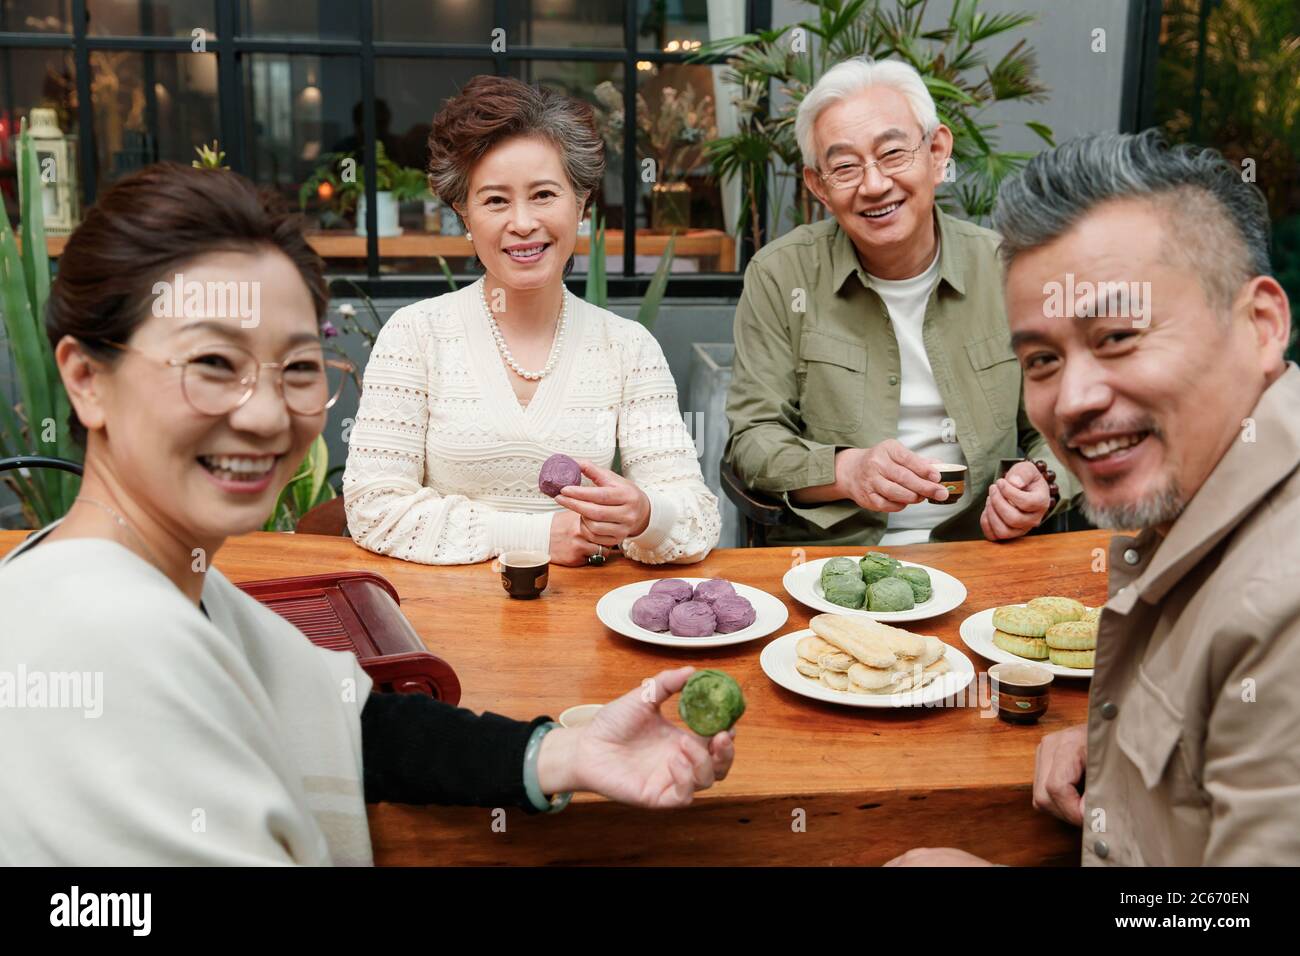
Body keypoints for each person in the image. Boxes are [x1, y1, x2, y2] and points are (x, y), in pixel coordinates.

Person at [0, 163, 735, 865]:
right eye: (213, 365)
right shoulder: (91, 642)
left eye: (294, 368)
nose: (262, 414)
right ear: (87, 380)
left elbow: (349, 725)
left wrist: (567, 753)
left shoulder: (171, 586)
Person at [889, 131, 1300, 866]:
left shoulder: (1282, 602)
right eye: (1042, 359)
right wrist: (1116, 744)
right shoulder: (1200, 499)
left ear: (1260, 325)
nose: (1072, 400)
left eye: (1116, 335)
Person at [343, 75, 720, 567]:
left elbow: (697, 518)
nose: (522, 222)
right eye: (495, 200)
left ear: (581, 203)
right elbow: (374, 508)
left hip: (583, 624)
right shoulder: (416, 335)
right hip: (444, 615)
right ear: (465, 214)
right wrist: (536, 534)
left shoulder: (628, 347)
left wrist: (646, 515)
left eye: (544, 194)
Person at [725, 56, 1076, 547]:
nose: (874, 184)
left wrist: (1044, 480)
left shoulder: (1010, 271)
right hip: (834, 567)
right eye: (845, 166)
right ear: (818, 187)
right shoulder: (781, 275)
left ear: (937, 152)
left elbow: (1066, 419)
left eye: (892, 154)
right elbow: (754, 438)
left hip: (982, 552)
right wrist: (846, 470)